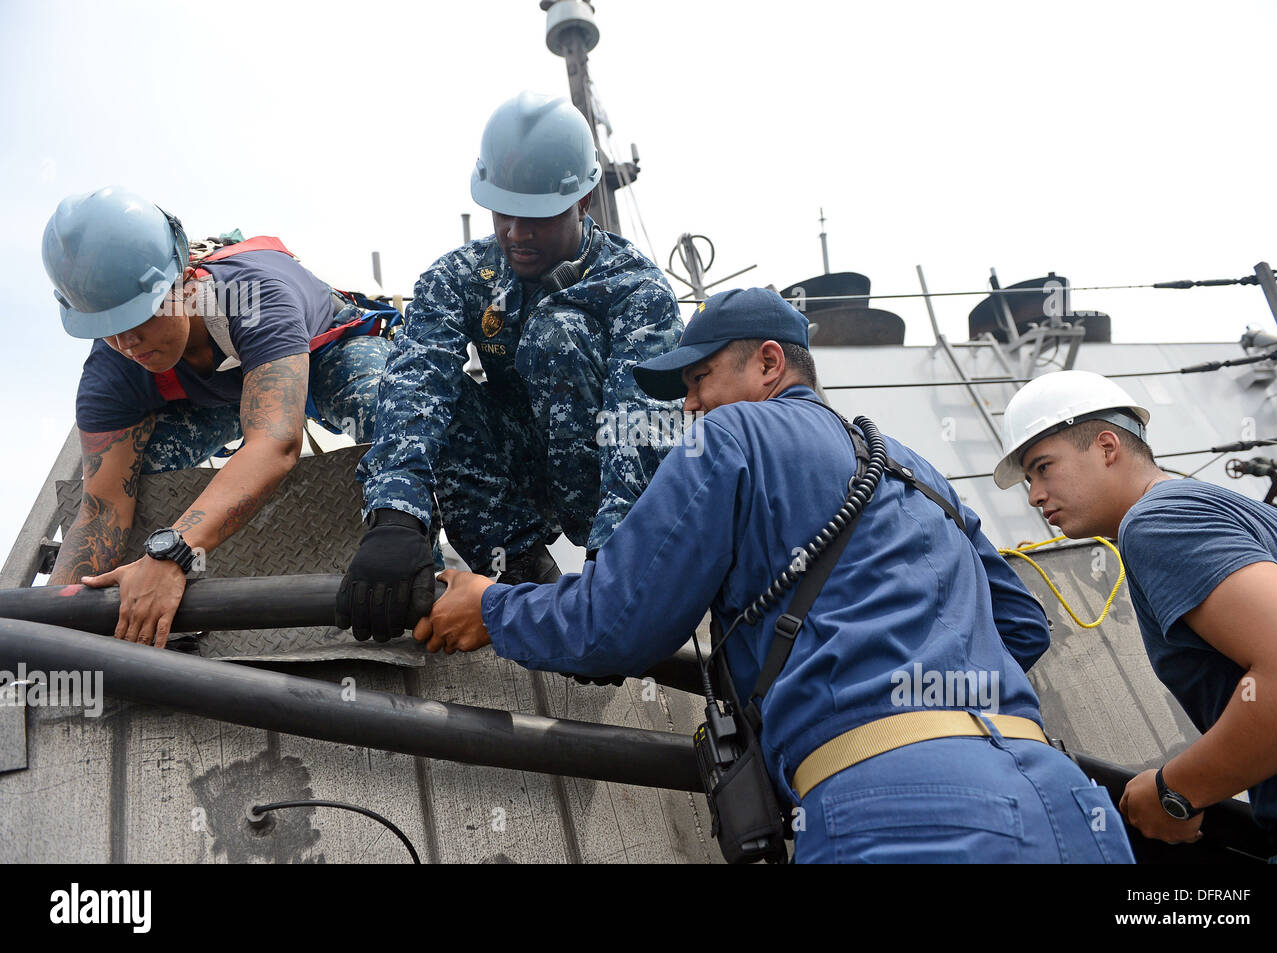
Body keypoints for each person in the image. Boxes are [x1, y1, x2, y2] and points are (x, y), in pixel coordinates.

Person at [420, 287, 1133, 864]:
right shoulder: (916, 467)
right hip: (1068, 805)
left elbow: (618, 621)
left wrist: (494, 607)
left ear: (768, 364)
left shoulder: (731, 437)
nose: (690, 404)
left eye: (698, 378)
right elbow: (1021, 626)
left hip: (901, 818)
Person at [338, 91, 684, 643]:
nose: (517, 233)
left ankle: (610, 566)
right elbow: (417, 379)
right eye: (504, 212)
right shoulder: (460, 278)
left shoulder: (637, 291)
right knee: (431, 397)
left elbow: (638, 431)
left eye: (539, 217)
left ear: (585, 200)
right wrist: (396, 513)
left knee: (557, 332)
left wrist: (614, 581)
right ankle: (518, 569)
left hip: (609, 481)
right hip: (520, 472)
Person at [43, 186, 392, 648]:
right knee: (135, 469)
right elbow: (104, 508)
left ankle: (409, 568)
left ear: (186, 279)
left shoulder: (256, 297)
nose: (127, 343)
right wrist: (43, 628)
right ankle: (167, 610)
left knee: (390, 409)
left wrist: (175, 554)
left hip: (321, 355)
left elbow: (273, 446)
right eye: (108, 330)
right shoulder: (112, 372)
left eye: (141, 317)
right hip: (218, 397)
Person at [994, 369, 1277, 862]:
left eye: (1044, 468)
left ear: (1107, 447)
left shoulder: (1157, 522)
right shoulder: (1229, 509)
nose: (1033, 496)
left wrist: (1175, 791)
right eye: (1029, 480)